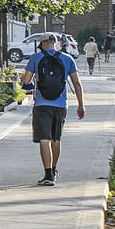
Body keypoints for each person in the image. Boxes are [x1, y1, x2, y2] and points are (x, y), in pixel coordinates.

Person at [20, 33, 84, 187]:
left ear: (42, 44)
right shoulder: (68, 59)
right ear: (56, 43)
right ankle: (54, 169)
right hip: (61, 105)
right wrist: (81, 104)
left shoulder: (35, 58)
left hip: (41, 105)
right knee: (56, 138)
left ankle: (48, 174)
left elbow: (26, 81)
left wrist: (27, 83)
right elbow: (76, 82)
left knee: (44, 139)